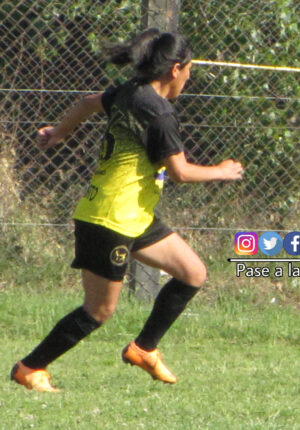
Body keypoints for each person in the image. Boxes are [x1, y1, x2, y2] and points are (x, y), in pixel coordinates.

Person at [11, 29, 243, 392]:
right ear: (175, 69)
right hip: (109, 219)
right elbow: (180, 172)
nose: (189, 78)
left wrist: (60, 132)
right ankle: (30, 367)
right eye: (189, 71)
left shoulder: (131, 92)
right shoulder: (160, 113)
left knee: (192, 273)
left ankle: (144, 349)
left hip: (135, 215)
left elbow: (88, 102)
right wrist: (222, 171)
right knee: (98, 311)